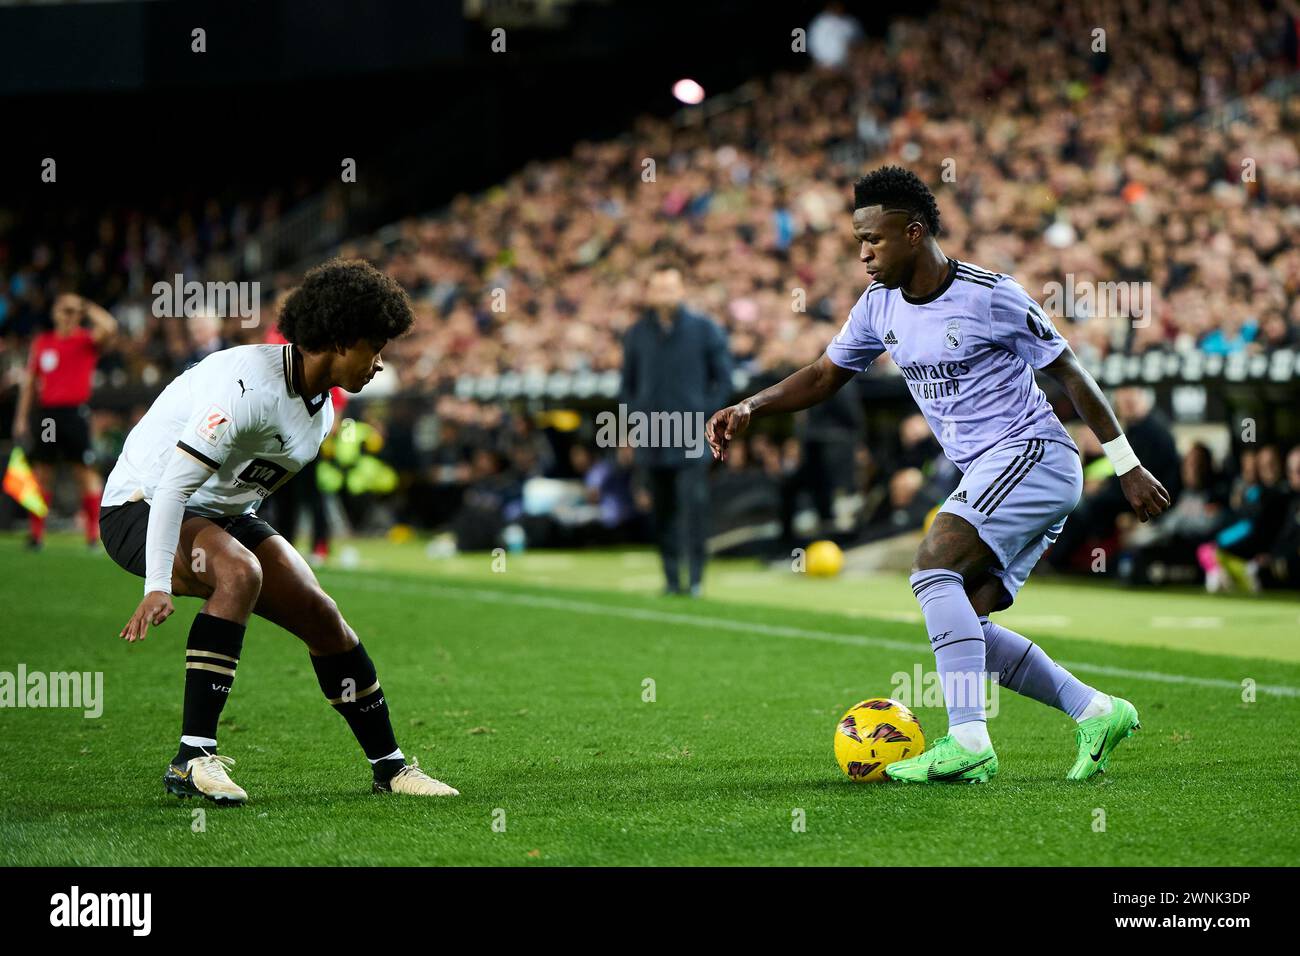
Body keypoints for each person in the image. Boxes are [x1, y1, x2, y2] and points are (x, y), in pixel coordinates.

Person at [707, 166, 1169, 784]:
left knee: (932, 565)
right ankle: (1097, 711)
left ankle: (969, 742)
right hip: (992, 471)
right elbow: (822, 375)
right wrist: (749, 407)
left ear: (914, 232)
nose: (863, 253)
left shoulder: (991, 295)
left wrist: (1127, 466)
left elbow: (1072, 374)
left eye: (873, 239)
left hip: (1033, 453)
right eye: (857, 242)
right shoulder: (878, 307)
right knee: (967, 623)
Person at [98, 259, 457, 804]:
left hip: (218, 511)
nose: (380, 363)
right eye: (375, 347)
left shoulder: (321, 414)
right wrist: (158, 584)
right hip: (141, 506)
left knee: (323, 616)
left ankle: (391, 768)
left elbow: (245, 490)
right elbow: (172, 488)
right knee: (240, 572)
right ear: (339, 340)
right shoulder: (247, 388)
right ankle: (191, 759)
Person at [621, 267, 732, 596]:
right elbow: (627, 386)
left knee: (693, 509)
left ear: (682, 289)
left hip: (691, 435)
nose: (664, 293)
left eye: (670, 286)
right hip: (652, 436)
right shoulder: (636, 334)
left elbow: (724, 379)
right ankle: (671, 580)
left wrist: (705, 417)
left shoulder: (705, 329)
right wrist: (634, 423)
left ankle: (695, 579)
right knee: (662, 511)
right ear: (649, 292)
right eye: (658, 287)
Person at [11, 293, 117, 549]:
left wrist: (86, 305)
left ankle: (93, 534)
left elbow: (110, 327)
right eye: (63, 309)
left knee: (84, 471)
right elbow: (29, 384)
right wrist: (21, 418)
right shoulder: (43, 342)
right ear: (54, 313)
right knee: (42, 471)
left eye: (72, 311)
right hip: (48, 416)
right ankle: (36, 534)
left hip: (75, 414)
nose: (67, 315)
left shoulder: (86, 340)